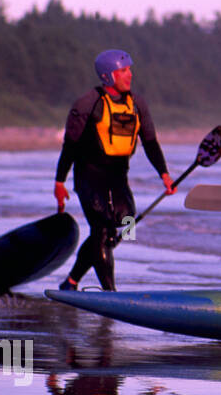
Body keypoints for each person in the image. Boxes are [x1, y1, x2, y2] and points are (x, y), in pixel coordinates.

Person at [55, 50, 174, 291]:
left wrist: (164, 174)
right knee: (100, 230)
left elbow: (150, 142)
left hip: (118, 177)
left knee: (116, 230)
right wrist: (60, 182)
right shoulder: (88, 104)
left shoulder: (137, 104)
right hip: (89, 175)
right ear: (108, 76)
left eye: (130, 69)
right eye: (123, 71)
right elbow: (70, 145)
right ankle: (111, 293)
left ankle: (71, 282)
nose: (129, 75)